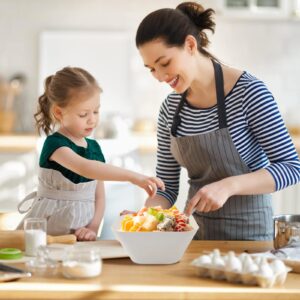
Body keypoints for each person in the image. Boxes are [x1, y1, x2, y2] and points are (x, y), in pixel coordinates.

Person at [133, 1, 300, 240]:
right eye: (151, 69)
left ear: (190, 45)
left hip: (251, 240)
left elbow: (291, 168)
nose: (159, 77)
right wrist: (144, 217)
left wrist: (228, 186)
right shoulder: (170, 109)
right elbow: (167, 188)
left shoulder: (249, 93)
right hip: (197, 239)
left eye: (165, 63)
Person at [17, 66, 164, 241]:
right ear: (58, 112)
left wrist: (92, 228)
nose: (92, 119)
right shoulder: (55, 144)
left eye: (96, 111)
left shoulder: (94, 148)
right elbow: (85, 168)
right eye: (83, 114)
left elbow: (99, 196)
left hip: (80, 236)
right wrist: (134, 177)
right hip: (47, 232)